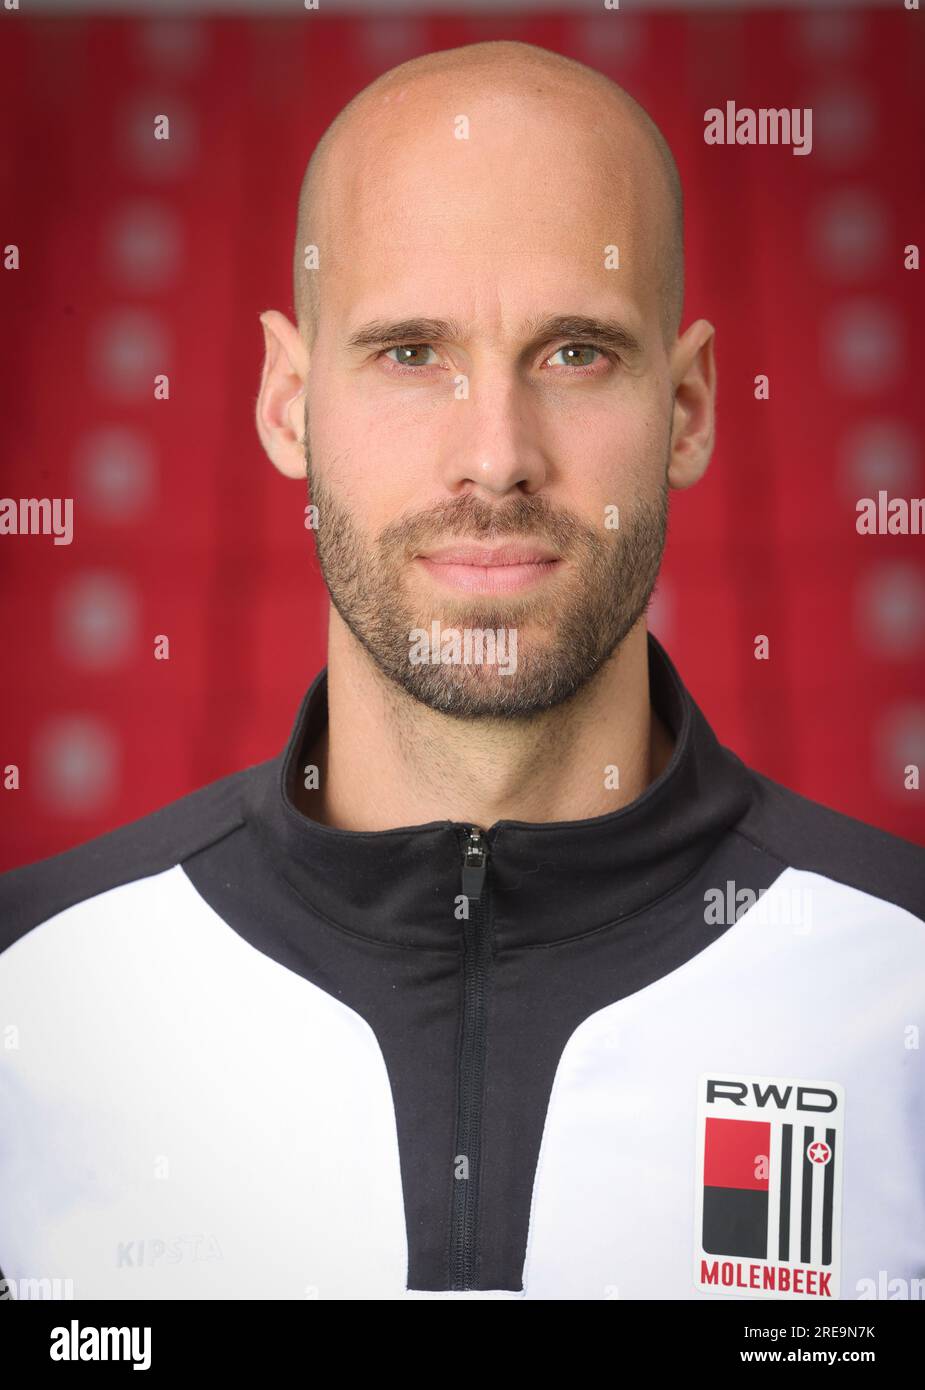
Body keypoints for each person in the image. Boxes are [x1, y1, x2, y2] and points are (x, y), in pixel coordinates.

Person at [1, 40, 922, 1303]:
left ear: (691, 406)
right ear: (286, 402)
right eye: (409, 353)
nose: (495, 457)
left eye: (576, 353)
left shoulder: (901, 987)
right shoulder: (31, 997)